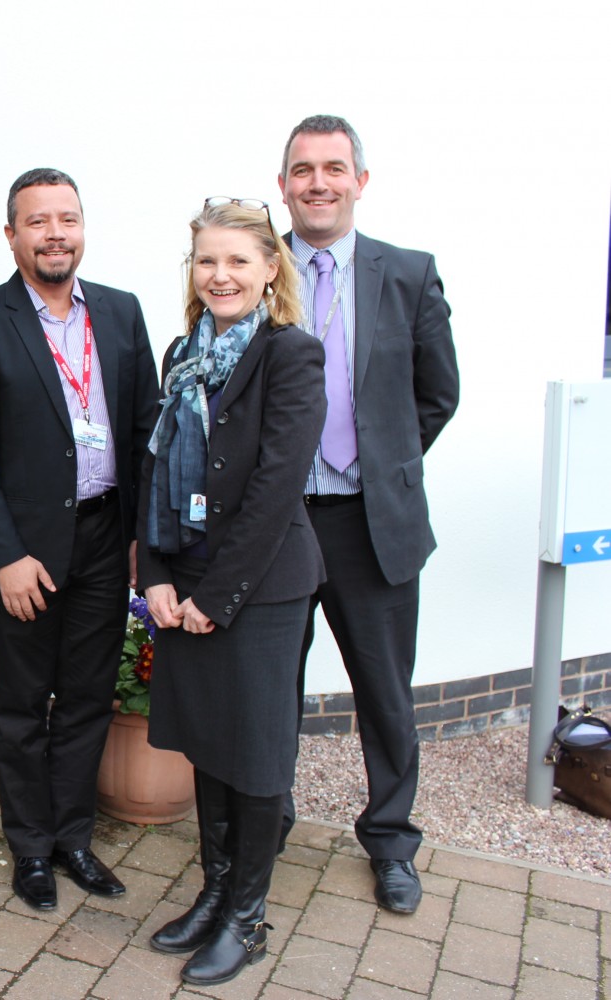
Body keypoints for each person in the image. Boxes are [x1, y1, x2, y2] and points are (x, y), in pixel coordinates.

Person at [0, 168, 158, 910]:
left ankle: (73, 839)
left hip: (105, 536)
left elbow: (142, 435)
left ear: (83, 227)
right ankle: (30, 847)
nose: (55, 232)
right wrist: (4, 556)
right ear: (12, 236)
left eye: (67, 218)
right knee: (25, 703)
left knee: (90, 698)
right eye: (38, 221)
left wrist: (142, 540)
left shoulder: (124, 315)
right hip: (27, 551)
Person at [139, 199, 326, 986]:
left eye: (238, 261)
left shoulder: (292, 356)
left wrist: (214, 596)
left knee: (252, 758)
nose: (220, 275)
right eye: (207, 261)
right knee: (209, 748)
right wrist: (153, 577)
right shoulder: (184, 351)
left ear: (269, 269)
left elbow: (277, 490)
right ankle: (216, 894)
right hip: (183, 583)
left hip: (258, 590)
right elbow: (155, 472)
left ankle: (248, 917)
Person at [277, 115, 459, 914]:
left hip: (369, 521)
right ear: (282, 183)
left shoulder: (409, 274)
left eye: (334, 168)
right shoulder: (252, 266)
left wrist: (382, 461)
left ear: (360, 180)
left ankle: (390, 839)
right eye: (303, 169)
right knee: (269, 684)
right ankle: (264, 826)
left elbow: (437, 393)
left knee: (384, 694)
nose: (319, 182)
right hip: (277, 523)